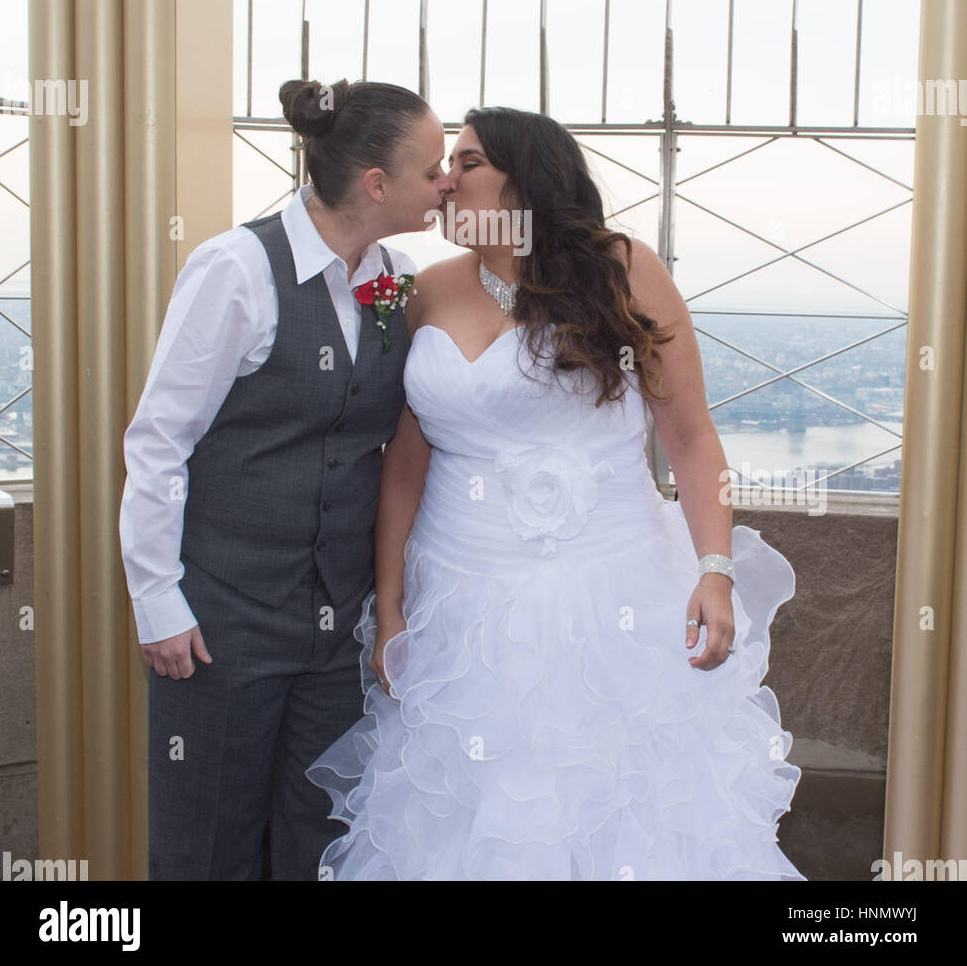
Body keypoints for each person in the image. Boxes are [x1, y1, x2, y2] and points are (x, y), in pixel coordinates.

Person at [305, 105, 806, 881]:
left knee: (619, 810)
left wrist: (714, 566)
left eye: (465, 164)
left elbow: (692, 437)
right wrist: (394, 608)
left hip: (613, 598)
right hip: (457, 608)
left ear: (524, 180)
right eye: (441, 167)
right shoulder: (423, 291)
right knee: (468, 817)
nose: (443, 183)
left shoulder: (624, 269)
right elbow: (404, 467)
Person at [119, 76, 451, 880]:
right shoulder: (234, 268)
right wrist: (157, 599)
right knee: (208, 840)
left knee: (321, 835)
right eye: (433, 169)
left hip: (337, 629)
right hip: (221, 622)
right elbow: (160, 439)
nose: (445, 184)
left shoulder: (395, 276)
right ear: (377, 184)